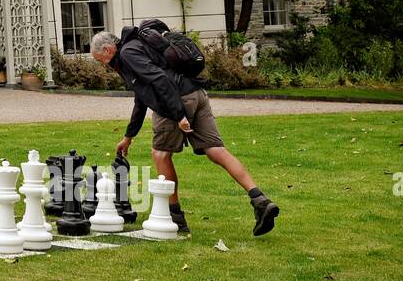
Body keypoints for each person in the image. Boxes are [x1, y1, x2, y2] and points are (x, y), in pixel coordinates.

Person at [89, 27, 278, 236]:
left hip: (175, 100)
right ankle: (259, 199)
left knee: (160, 154)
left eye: (100, 60)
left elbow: (159, 80)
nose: (103, 65)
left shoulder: (127, 54)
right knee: (216, 149)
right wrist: (129, 136)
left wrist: (179, 115)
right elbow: (141, 96)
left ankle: (174, 217)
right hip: (197, 94)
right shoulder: (136, 47)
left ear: (107, 49)